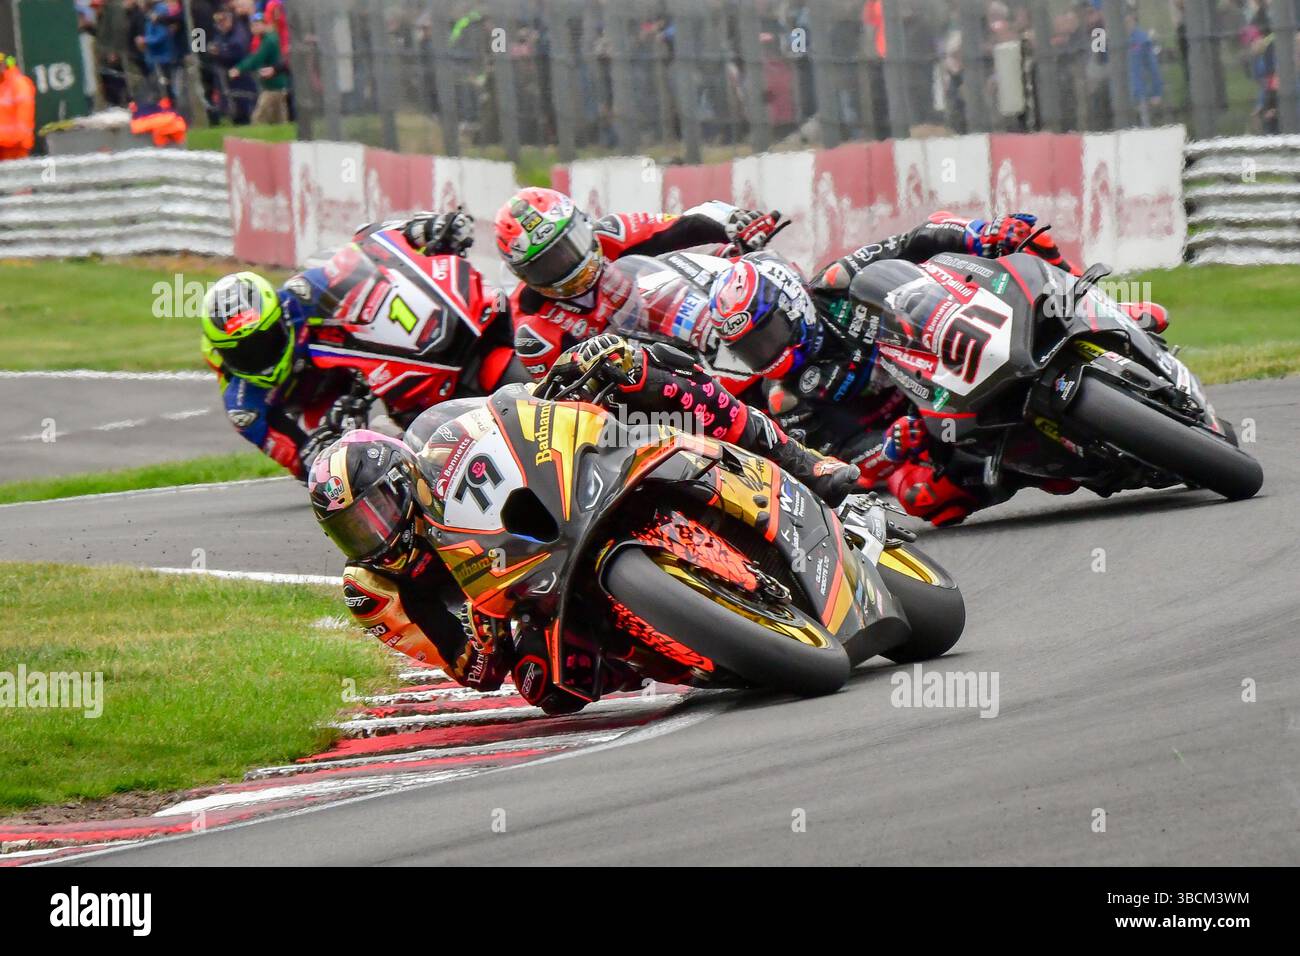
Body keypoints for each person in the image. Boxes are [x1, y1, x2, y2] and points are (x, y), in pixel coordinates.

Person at [307, 338, 862, 713]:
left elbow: (509, 410)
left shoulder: (437, 446)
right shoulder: (378, 589)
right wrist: (486, 633)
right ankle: (694, 647)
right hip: (523, 604)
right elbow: (466, 666)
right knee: (547, 686)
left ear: (403, 479)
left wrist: (563, 381)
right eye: (354, 530)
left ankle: (801, 460)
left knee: (629, 365)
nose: (374, 533)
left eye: (376, 509)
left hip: (565, 495)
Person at [708, 210, 1167, 526]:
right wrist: (889, 447)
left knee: (1029, 238)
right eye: (748, 348)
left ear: (792, 303)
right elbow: (850, 460)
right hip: (923, 420)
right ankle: (1030, 465)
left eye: (764, 335)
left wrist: (982, 234)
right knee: (922, 499)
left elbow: (916, 239)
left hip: (957, 339)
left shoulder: (837, 282)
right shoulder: (786, 398)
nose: (763, 354)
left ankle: (1098, 309)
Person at [202, 210, 515, 479]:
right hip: (319, 403)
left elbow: (361, 251)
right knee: (359, 461)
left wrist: (422, 230)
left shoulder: (297, 297)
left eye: (263, 341)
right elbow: (300, 460)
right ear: (223, 353)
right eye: (242, 352)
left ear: (277, 317)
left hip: (350, 365)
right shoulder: (244, 405)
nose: (257, 356)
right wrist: (321, 450)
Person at [496, 186, 778, 376]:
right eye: (550, 263)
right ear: (523, 274)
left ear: (583, 222)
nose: (571, 262)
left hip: (674, 325)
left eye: (572, 242)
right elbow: (566, 397)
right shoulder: (531, 328)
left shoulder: (610, 232)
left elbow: (681, 225)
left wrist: (733, 223)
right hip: (636, 391)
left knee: (728, 261)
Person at [229, 12, 288, 125]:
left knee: (258, 119)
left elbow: (257, 59)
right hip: (275, 85)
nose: (254, 28)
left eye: (258, 24)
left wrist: (239, 69)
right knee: (280, 120)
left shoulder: (269, 40)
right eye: (253, 25)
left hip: (273, 87)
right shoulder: (267, 39)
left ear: (265, 25)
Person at [0, 52, 35, 161]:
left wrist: (18, 140)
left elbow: (24, 116)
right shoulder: (3, 85)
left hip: (15, 148)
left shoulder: (19, 84)